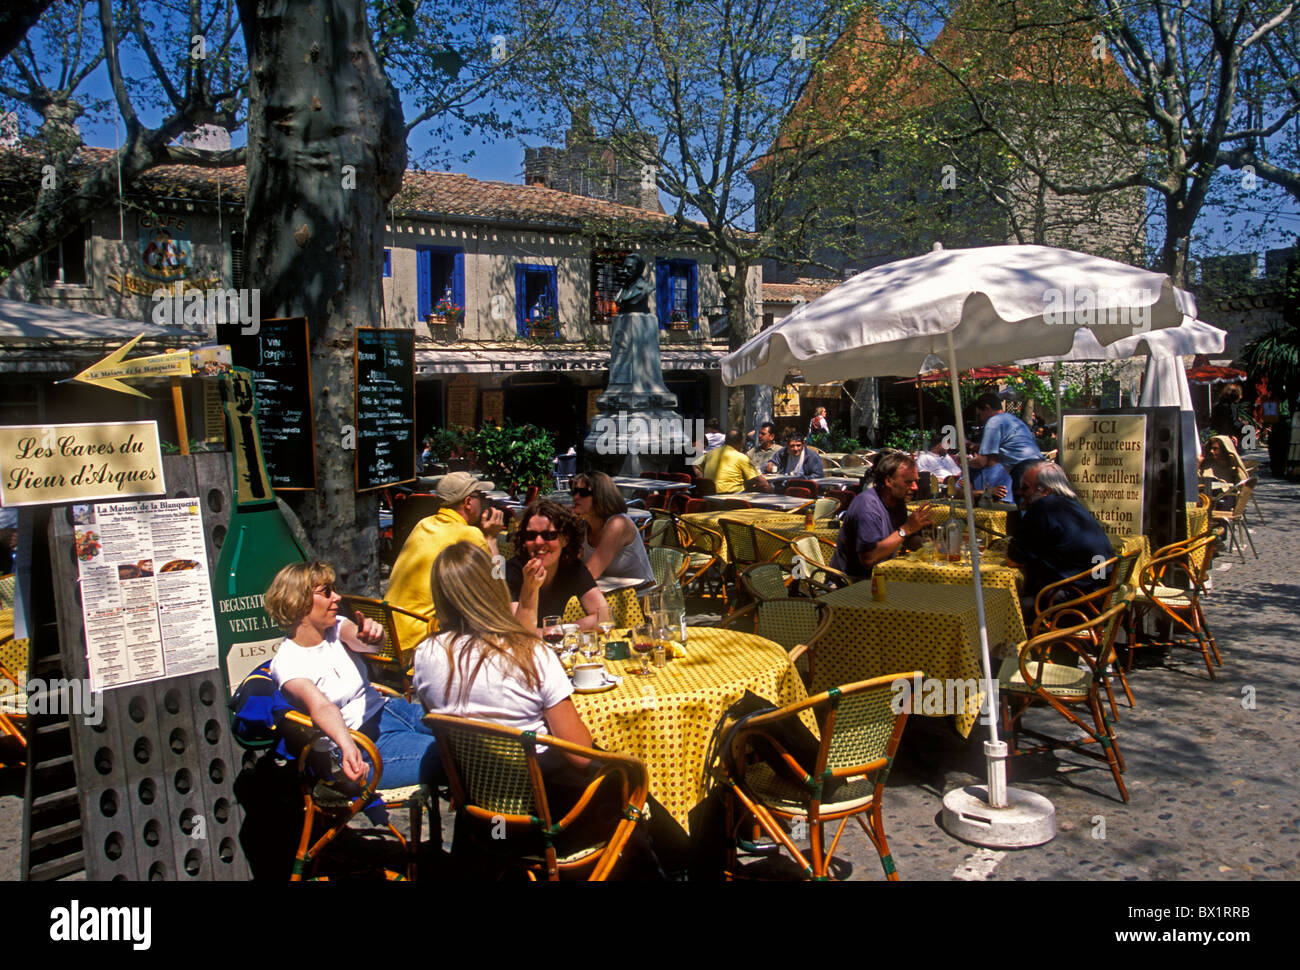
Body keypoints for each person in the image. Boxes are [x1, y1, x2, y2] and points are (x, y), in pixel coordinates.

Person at [265, 561, 440, 789]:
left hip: (391, 709)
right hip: (363, 741)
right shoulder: (289, 662)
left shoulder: (335, 627)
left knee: (467, 731)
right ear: (297, 602)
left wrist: (374, 636)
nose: (337, 597)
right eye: (327, 592)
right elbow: (322, 707)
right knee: (456, 758)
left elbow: (360, 639)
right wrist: (347, 746)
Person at [385, 471, 505, 647]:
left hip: (390, 637)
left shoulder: (423, 524)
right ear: (468, 502)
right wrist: (492, 539)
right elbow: (498, 586)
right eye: (480, 496)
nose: (484, 502)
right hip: (422, 640)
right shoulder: (468, 534)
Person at [1005, 461, 1114, 618]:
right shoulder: (1071, 505)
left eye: (1025, 487)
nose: (1019, 492)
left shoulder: (1042, 508)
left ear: (1046, 491)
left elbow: (1013, 560)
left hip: (1078, 602)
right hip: (1100, 594)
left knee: (1002, 610)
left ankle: (1021, 643)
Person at [507, 499, 610, 632]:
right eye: (530, 535)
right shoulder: (513, 571)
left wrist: (559, 630)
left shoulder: (573, 568)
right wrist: (529, 587)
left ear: (565, 539)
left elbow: (604, 617)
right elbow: (519, 631)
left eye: (548, 535)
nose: (538, 542)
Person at [830, 450, 934, 579]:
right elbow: (868, 559)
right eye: (908, 482)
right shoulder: (867, 507)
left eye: (915, 481)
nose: (915, 487)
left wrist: (932, 547)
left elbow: (908, 540)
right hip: (850, 584)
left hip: (882, 577)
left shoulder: (897, 502)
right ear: (889, 481)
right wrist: (907, 529)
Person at [570, 470, 654, 587]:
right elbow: (570, 565)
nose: (576, 496)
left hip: (639, 597)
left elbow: (590, 573)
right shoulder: (583, 526)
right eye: (574, 491)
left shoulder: (618, 524)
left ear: (601, 495)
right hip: (605, 594)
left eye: (583, 492)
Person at [969, 392, 1043, 492]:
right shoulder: (1013, 419)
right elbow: (1000, 447)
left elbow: (983, 462)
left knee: (1025, 503)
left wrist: (964, 463)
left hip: (1024, 471)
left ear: (987, 408)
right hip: (1040, 466)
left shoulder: (993, 422)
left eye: (980, 414)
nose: (981, 419)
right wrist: (971, 445)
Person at [696, 429, 765, 493]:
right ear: (741, 443)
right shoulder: (741, 457)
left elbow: (695, 465)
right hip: (734, 498)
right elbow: (760, 481)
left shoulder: (710, 454)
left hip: (710, 495)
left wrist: (703, 479)